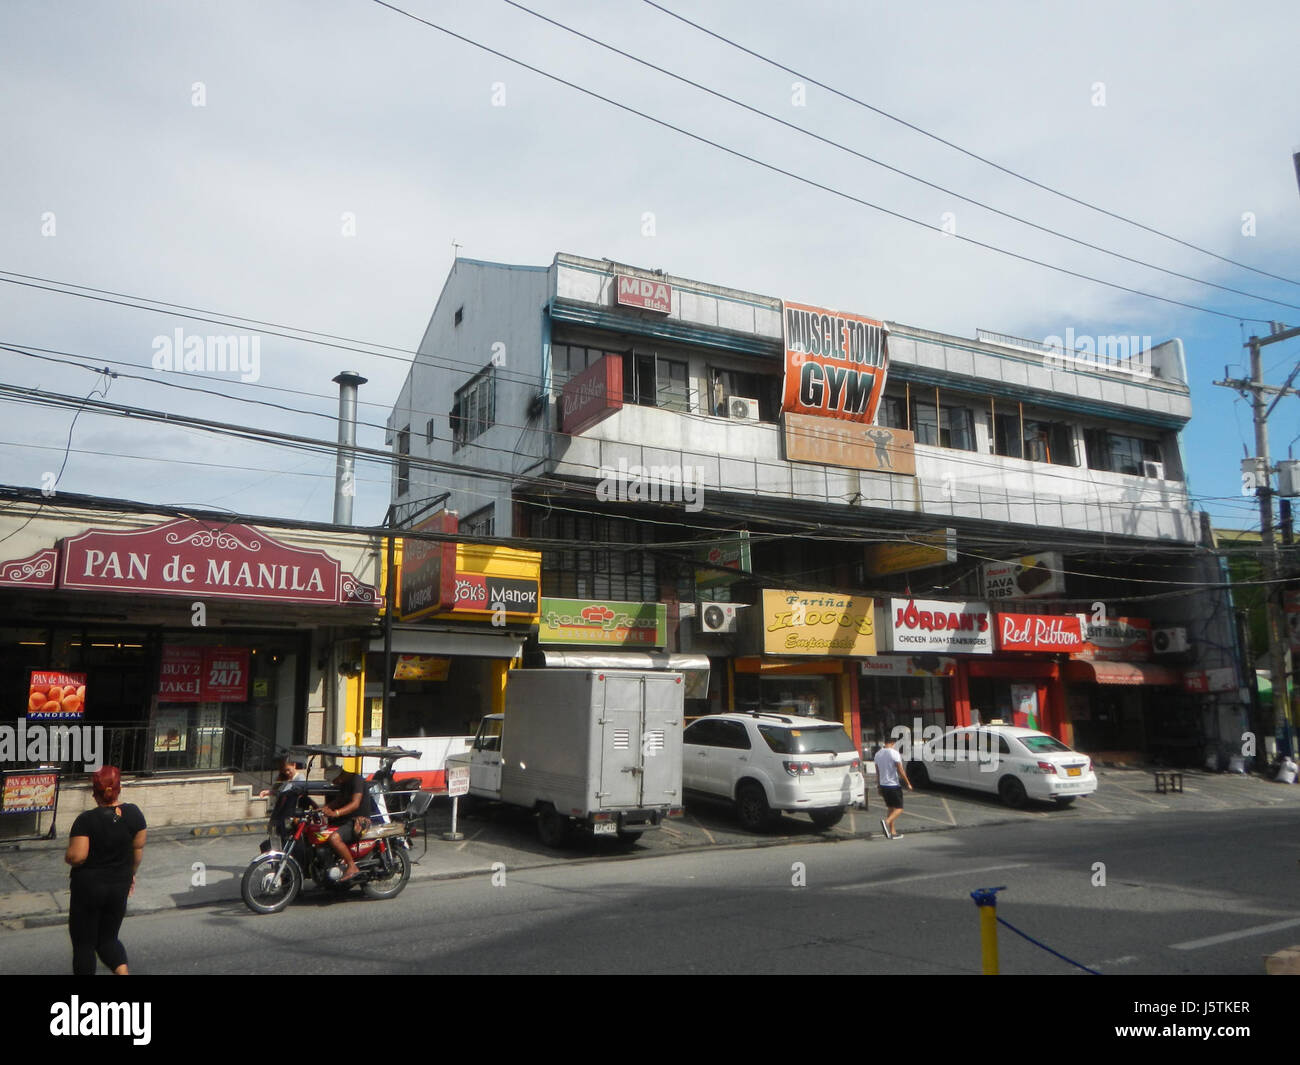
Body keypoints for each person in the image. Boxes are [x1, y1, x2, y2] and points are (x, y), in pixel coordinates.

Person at [65, 765, 147, 975]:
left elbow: (78, 856)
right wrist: (131, 875)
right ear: (119, 788)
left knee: (84, 944)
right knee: (108, 940)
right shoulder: (134, 814)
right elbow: (137, 850)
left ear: (95, 792)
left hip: (89, 889)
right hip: (119, 885)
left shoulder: (86, 820)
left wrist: (67, 856)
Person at [318, 759, 369, 881]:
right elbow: (340, 799)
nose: (335, 783)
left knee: (334, 838)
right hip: (346, 819)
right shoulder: (345, 784)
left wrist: (336, 813)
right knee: (322, 833)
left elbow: (355, 804)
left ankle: (352, 866)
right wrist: (326, 808)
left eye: (335, 781)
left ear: (340, 777)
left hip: (359, 820)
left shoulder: (357, 780)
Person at [873, 737, 912, 840]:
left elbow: (877, 772)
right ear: (892, 743)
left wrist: (878, 786)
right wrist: (908, 783)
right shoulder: (894, 753)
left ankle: (892, 832)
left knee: (891, 808)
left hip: (883, 785)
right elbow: (900, 770)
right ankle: (886, 822)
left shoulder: (878, 754)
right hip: (893, 785)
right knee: (899, 808)